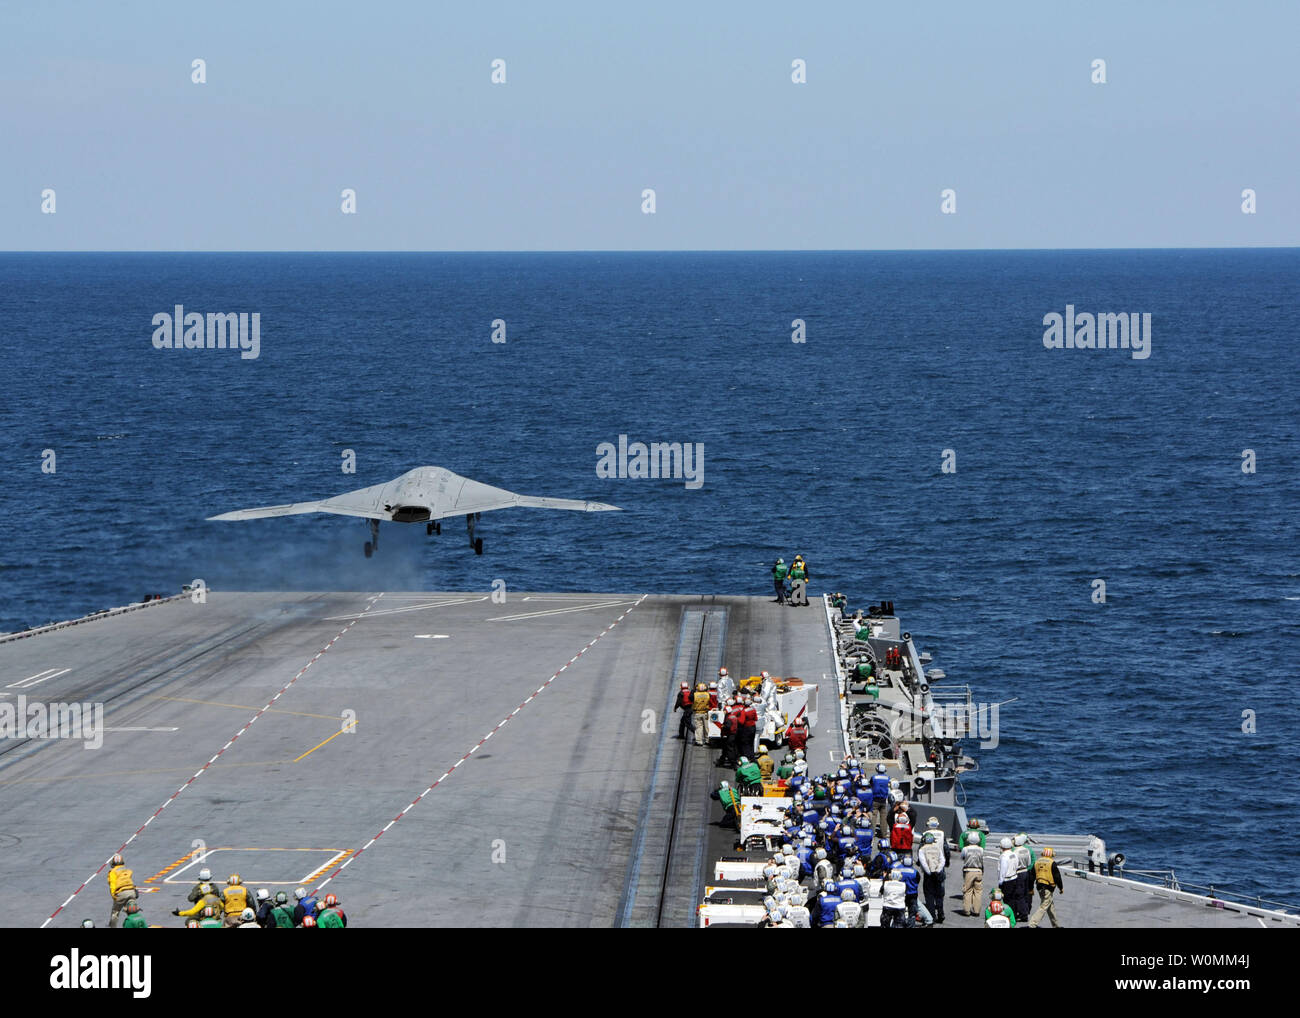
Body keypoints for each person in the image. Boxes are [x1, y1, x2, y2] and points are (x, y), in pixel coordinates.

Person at [1027, 846, 1065, 928]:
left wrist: (1031, 889)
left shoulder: (1037, 862)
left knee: (1050, 906)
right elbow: (1057, 877)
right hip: (1048, 887)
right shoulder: (1052, 863)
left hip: (1039, 887)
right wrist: (1061, 888)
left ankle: (1056, 925)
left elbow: (1031, 877)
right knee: (1044, 906)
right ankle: (1032, 924)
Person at [917, 830, 948, 925]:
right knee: (939, 895)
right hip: (938, 874)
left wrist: (929, 872)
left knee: (929, 896)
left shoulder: (922, 849)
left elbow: (923, 862)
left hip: (929, 875)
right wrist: (938, 870)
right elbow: (942, 860)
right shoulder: (937, 847)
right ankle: (941, 914)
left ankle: (932, 916)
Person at [107, 853, 137, 929]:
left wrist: (114, 896)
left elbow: (113, 884)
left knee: (115, 912)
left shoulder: (113, 872)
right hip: (132, 892)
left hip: (121, 893)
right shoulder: (127, 870)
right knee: (132, 910)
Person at [960, 830, 985, 916]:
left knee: (967, 890)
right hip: (978, 870)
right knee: (978, 891)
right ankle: (977, 910)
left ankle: (967, 910)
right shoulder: (981, 849)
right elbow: (982, 859)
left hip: (969, 870)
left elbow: (962, 857)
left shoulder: (965, 849)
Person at [997, 839, 1022, 920]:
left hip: (1007, 880)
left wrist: (1000, 882)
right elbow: (1017, 865)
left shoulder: (1004, 856)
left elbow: (1002, 870)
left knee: (1007, 899)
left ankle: (1008, 915)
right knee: (1013, 898)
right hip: (1014, 877)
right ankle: (1013, 914)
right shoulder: (1014, 854)